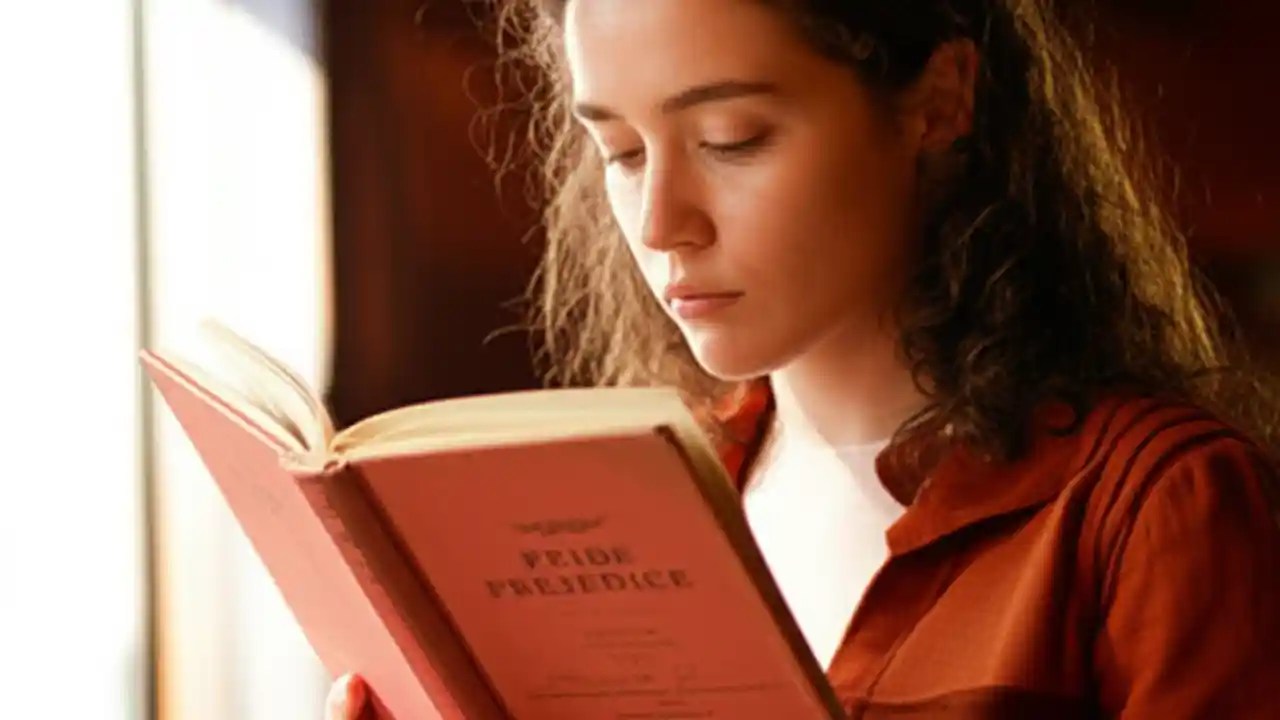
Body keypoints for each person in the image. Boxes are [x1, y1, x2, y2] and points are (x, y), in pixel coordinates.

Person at [327, 0, 1280, 717]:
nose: (662, 224)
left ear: (938, 102)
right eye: (618, 152)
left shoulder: (1153, 511)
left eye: (729, 141)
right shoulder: (637, 512)